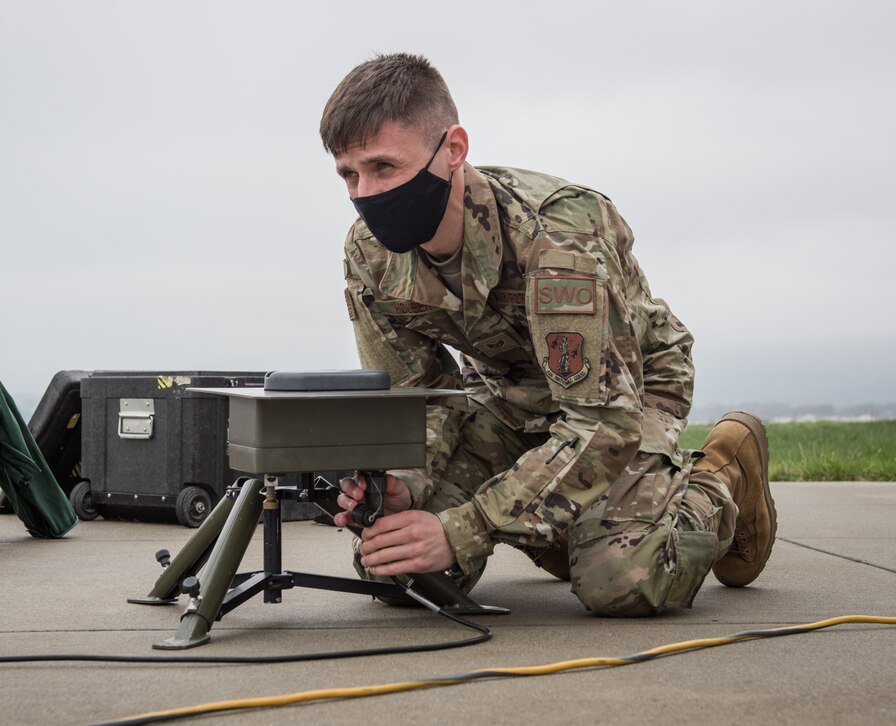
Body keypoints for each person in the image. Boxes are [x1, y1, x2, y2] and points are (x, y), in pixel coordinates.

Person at [322, 53, 776, 616]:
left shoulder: (557, 236)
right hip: (511, 394)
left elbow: (603, 421)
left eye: (384, 167)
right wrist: (406, 484)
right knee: (395, 571)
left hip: (627, 390)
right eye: (348, 173)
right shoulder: (370, 255)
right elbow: (421, 394)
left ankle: (719, 477)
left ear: (453, 151)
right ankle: (567, 526)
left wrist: (468, 526)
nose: (364, 192)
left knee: (620, 581)